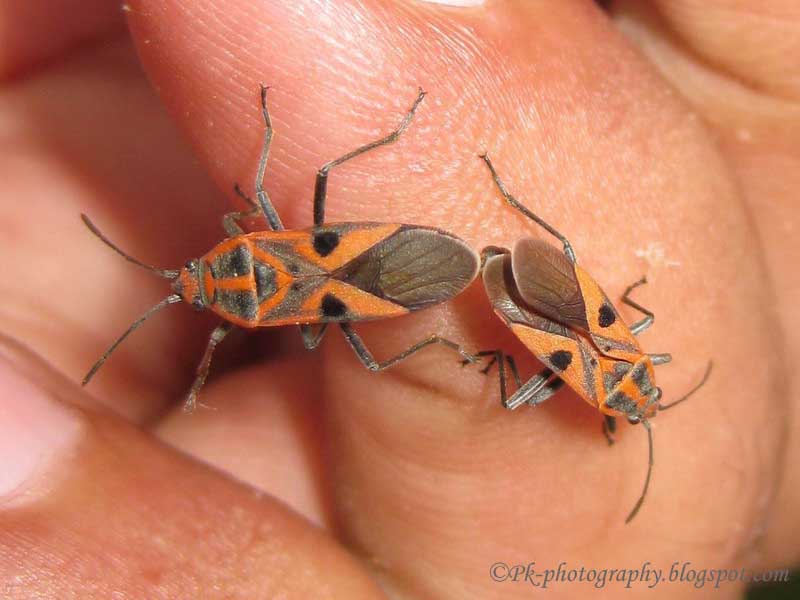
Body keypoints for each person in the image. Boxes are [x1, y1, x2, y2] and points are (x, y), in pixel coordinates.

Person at [1, 0, 797, 596]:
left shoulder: (242, 297)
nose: (189, 284)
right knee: (310, 192)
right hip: (379, 271)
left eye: (192, 283)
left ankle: (436, 327)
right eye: (189, 286)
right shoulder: (248, 247)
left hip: (392, 286)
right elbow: (254, 202)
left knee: (332, 252)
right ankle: (434, 325)